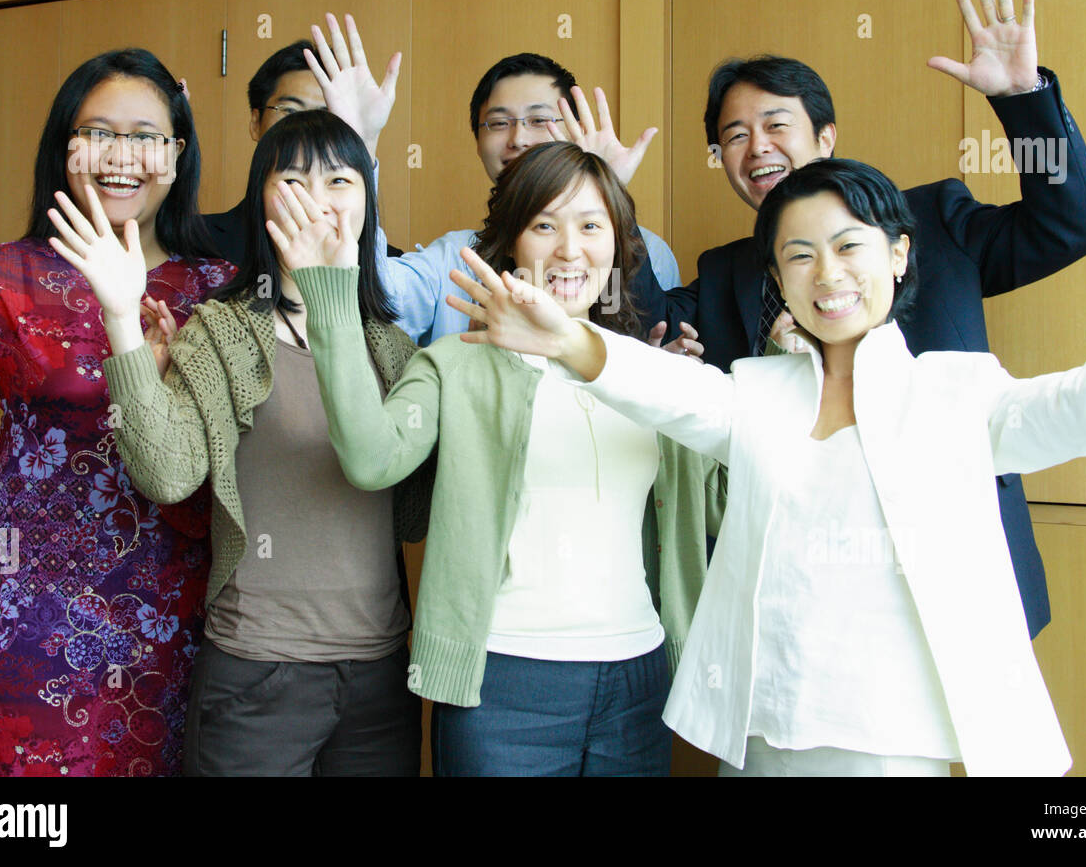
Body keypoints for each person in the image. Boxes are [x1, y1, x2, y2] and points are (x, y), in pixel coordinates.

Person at [455, 157, 1086, 777]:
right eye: (799, 254)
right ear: (778, 281)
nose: (828, 273)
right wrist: (567, 341)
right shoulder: (756, 394)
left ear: (898, 253)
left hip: (887, 744)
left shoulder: (954, 395)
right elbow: (666, 388)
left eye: (849, 245)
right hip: (757, 737)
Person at [643, 0, 1086, 636]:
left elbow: (1073, 225)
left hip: (954, 553)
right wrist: (598, 198)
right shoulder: (724, 274)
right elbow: (641, 321)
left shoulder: (932, 221)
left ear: (825, 138)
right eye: (734, 135)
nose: (756, 147)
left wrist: (1022, 102)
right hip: (801, 582)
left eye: (776, 123)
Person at [283, 141, 724, 776]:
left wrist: (795, 357)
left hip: (638, 678)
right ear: (512, 241)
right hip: (502, 683)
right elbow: (372, 459)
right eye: (544, 224)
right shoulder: (455, 364)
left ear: (620, 246)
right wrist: (329, 296)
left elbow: (720, 507)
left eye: (591, 225)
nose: (569, 250)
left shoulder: (648, 375)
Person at [50, 110, 433, 776]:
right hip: (257, 669)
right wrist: (121, 319)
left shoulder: (397, 348)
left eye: (340, 179)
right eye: (293, 178)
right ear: (260, 200)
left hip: (379, 674)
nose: (317, 199)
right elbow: (168, 473)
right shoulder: (221, 330)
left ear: (368, 202)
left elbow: (417, 505)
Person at [0, 48, 230, 776]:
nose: (123, 156)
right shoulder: (8, 274)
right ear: (67, 147)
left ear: (177, 155)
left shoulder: (218, 287)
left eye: (147, 135)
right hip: (21, 613)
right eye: (99, 132)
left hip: (172, 614)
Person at [379, 52, 681, 346]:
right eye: (498, 123)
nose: (518, 138)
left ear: (575, 129)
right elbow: (373, 299)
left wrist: (606, 189)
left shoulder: (647, 250)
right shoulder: (454, 258)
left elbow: (653, 335)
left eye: (539, 120)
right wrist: (357, 149)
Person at [204, 17, 405, 266]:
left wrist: (363, 139)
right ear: (255, 122)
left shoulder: (389, 264)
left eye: (325, 114)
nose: (306, 129)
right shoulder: (198, 243)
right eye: (290, 111)